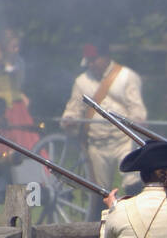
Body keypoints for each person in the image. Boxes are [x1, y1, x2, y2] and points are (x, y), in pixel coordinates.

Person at [63, 43, 147, 221]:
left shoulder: (126, 77)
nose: (92, 64)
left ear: (106, 56)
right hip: (96, 142)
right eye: (89, 61)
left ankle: (138, 221)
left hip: (124, 139)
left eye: (95, 59)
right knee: (100, 189)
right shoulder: (82, 81)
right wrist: (69, 119)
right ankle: (101, 227)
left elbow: (136, 108)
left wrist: (138, 121)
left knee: (132, 181)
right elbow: (74, 108)